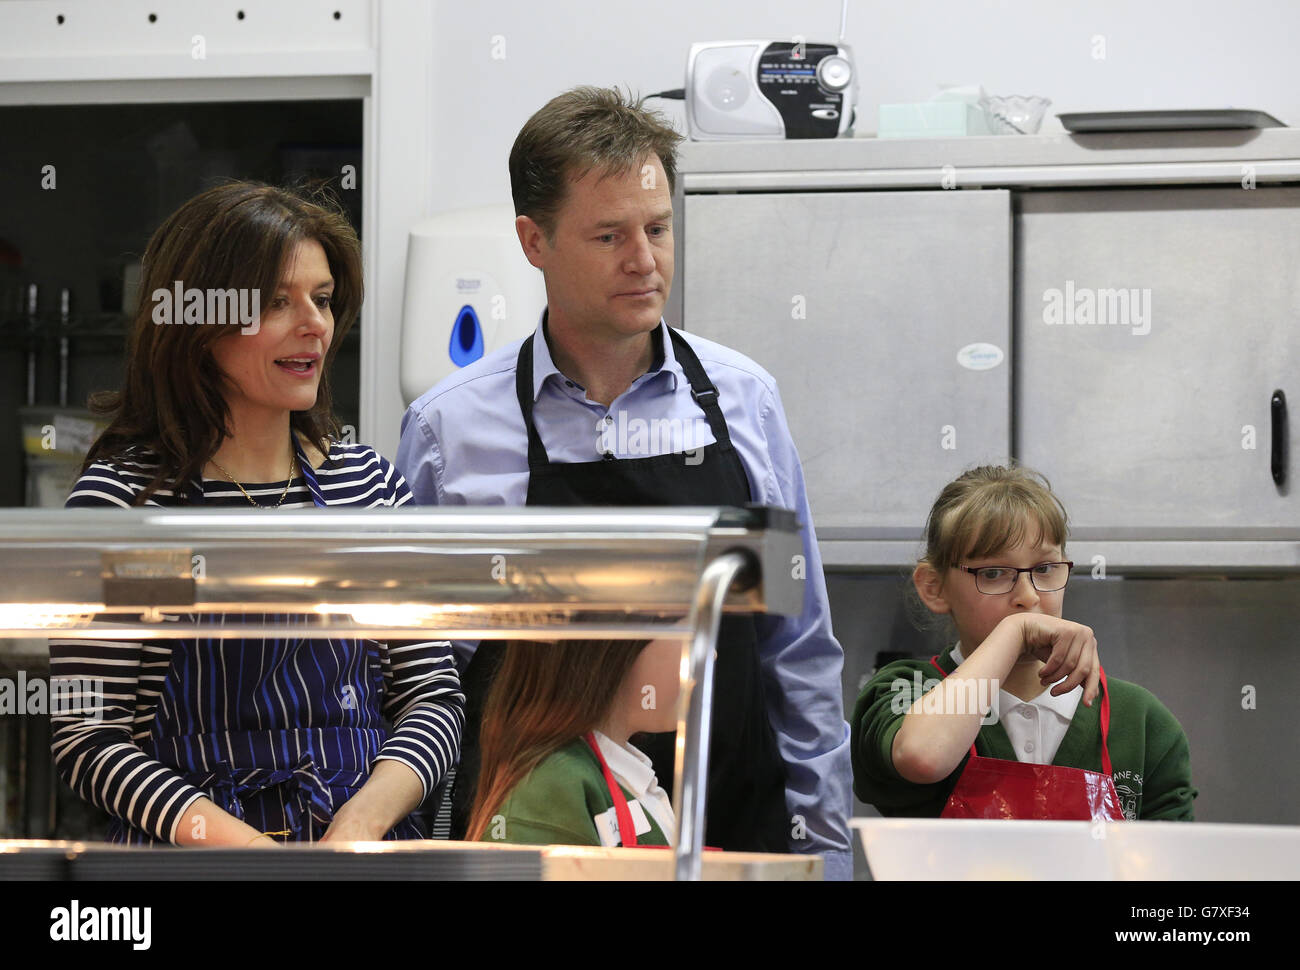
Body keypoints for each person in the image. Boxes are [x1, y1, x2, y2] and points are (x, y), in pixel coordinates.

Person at [397, 86, 852, 878]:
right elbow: (418, 680)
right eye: (609, 235)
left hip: (737, 842)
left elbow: (797, 651)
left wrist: (829, 854)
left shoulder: (745, 403)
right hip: (538, 851)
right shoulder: (450, 432)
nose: (645, 260)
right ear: (533, 241)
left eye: (658, 228)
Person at [50, 181, 465, 846]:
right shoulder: (127, 503)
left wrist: (355, 828)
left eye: (323, 300)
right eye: (278, 302)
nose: (314, 325)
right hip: (194, 863)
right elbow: (89, 737)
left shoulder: (370, 489)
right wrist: (252, 855)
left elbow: (432, 701)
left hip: (356, 859)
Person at [852, 465, 1196, 821]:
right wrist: (1014, 632)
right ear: (934, 588)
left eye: (1045, 569)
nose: (1028, 597)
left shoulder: (1139, 720)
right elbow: (924, 756)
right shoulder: (908, 691)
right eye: (993, 573)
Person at [468, 639, 678, 847]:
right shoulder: (550, 789)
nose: (711, 655)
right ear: (613, 647)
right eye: (687, 629)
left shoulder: (618, 772)